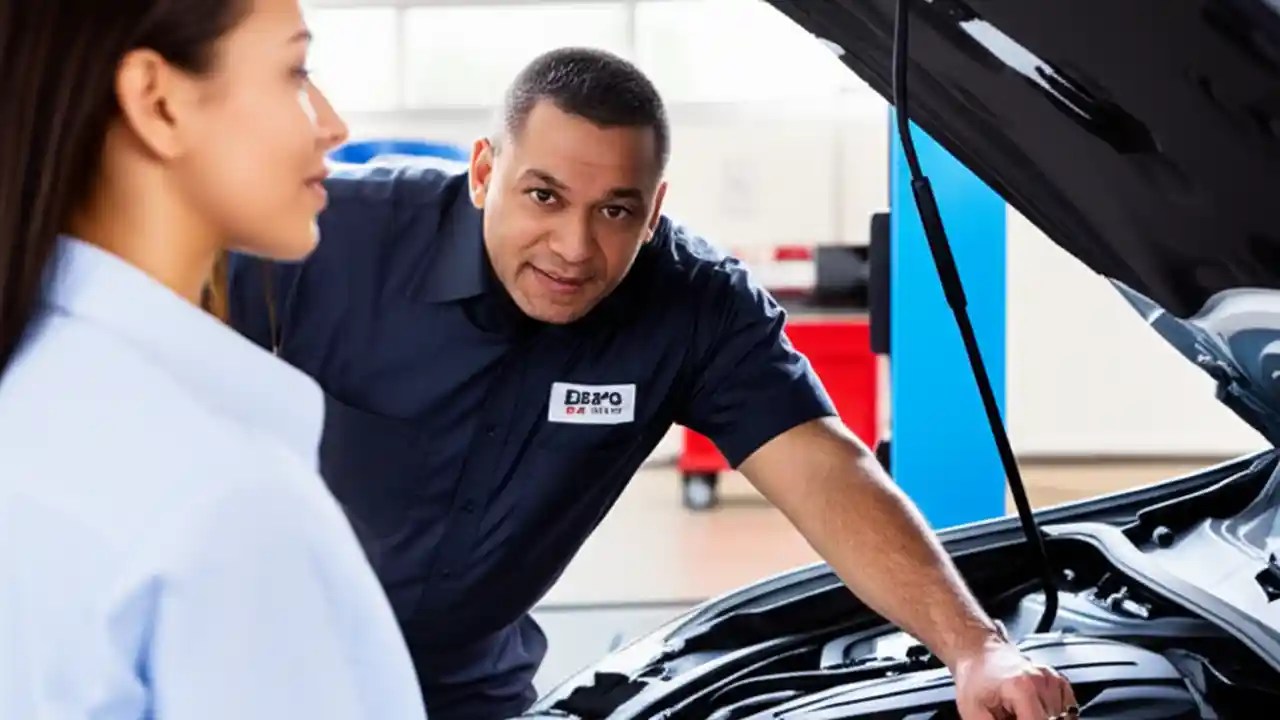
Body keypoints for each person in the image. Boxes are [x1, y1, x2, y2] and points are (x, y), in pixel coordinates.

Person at [228, 47, 1078, 720]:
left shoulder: (691, 306)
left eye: (615, 211)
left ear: (655, 206)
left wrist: (976, 647)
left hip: (469, 694)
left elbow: (827, 473)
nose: (573, 246)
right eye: (544, 196)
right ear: (485, 170)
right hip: (259, 676)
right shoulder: (326, 239)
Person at [0, 1, 427, 718]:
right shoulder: (226, 499)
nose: (331, 123)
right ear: (157, 102)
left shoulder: (34, 393)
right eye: (296, 70)